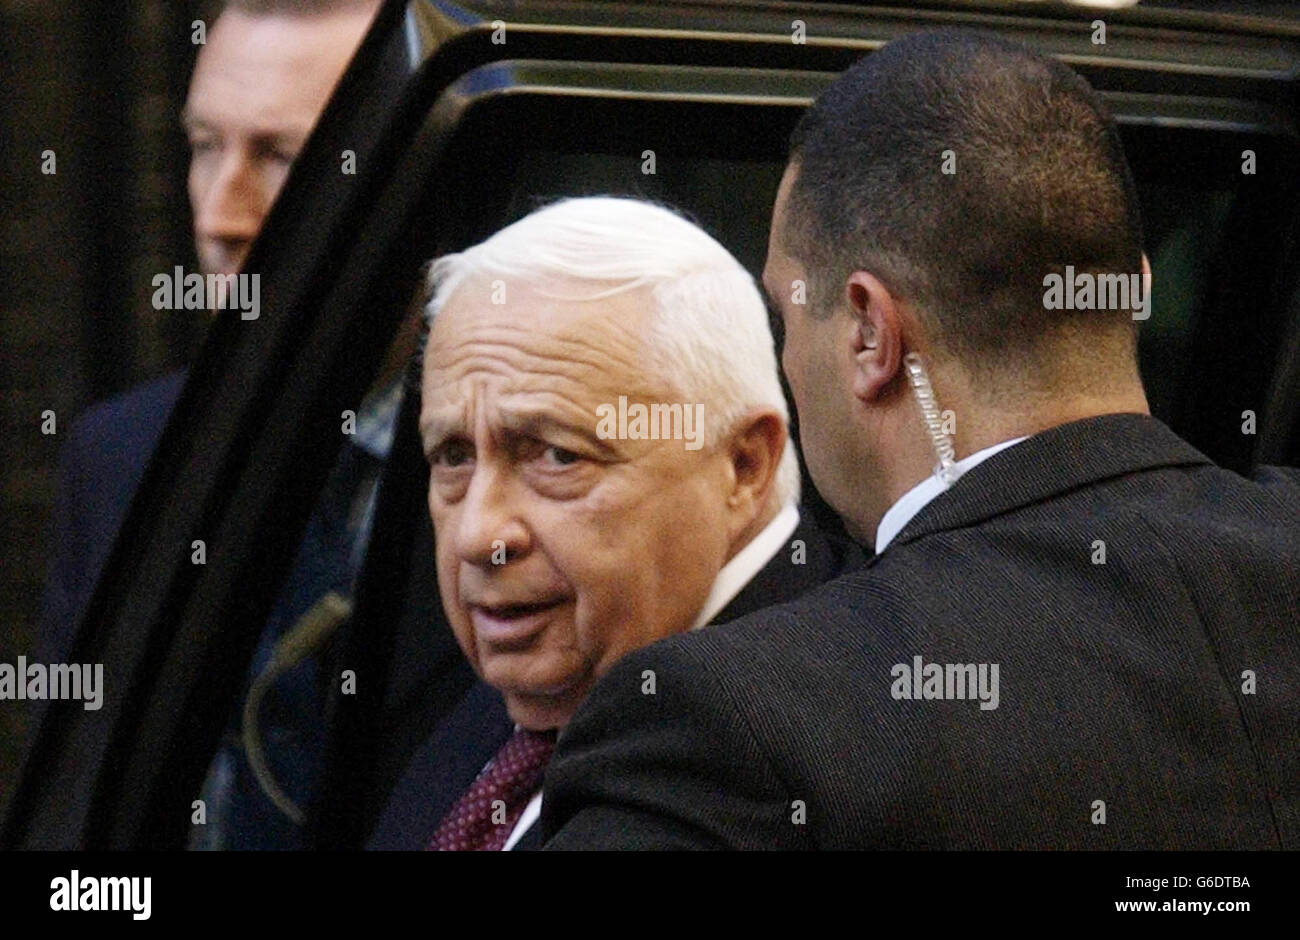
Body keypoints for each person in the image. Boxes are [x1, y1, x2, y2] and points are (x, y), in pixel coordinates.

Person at [540, 29, 1300, 850]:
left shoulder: (734, 731)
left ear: (870, 333)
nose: (785, 362)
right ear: (1137, 288)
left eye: (785, 316)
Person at [365, 196, 864, 850]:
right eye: (454, 456)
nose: (478, 536)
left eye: (558, 456)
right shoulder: (526, 689)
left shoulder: (790, 764)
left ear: (743, 466)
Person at [37, 0, 383, 849]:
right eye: (203, 147)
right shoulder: (121, 456)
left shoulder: (517, 463)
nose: (220, 217)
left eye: (280, 156)